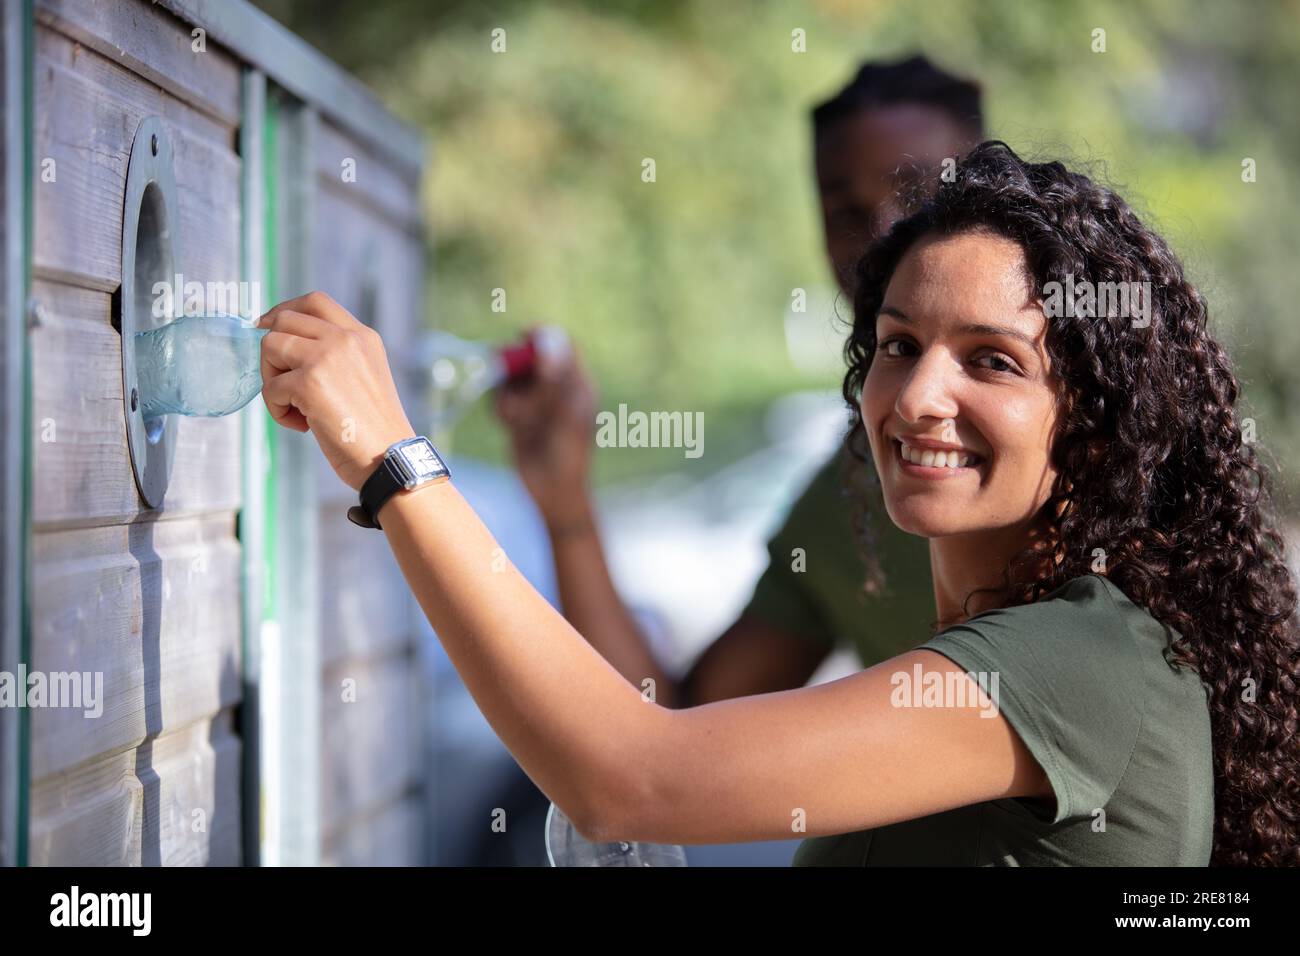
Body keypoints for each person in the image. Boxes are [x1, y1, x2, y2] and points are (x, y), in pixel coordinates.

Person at [257, 142, 1300, 864]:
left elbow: (630, 773)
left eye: (991, 360)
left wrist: (391, 459)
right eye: (898, 346)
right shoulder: (1023, 644)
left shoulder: (1079, 663)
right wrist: (564, 501)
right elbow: (670, 734)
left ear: (1102, 419)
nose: (921, 396)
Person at [495, 56, 985, 721]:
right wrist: (564, 501)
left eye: (921, 191)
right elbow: (671, 731)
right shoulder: (849, 500)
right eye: (846, 209)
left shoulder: (1112, 438)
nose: (883, 234)